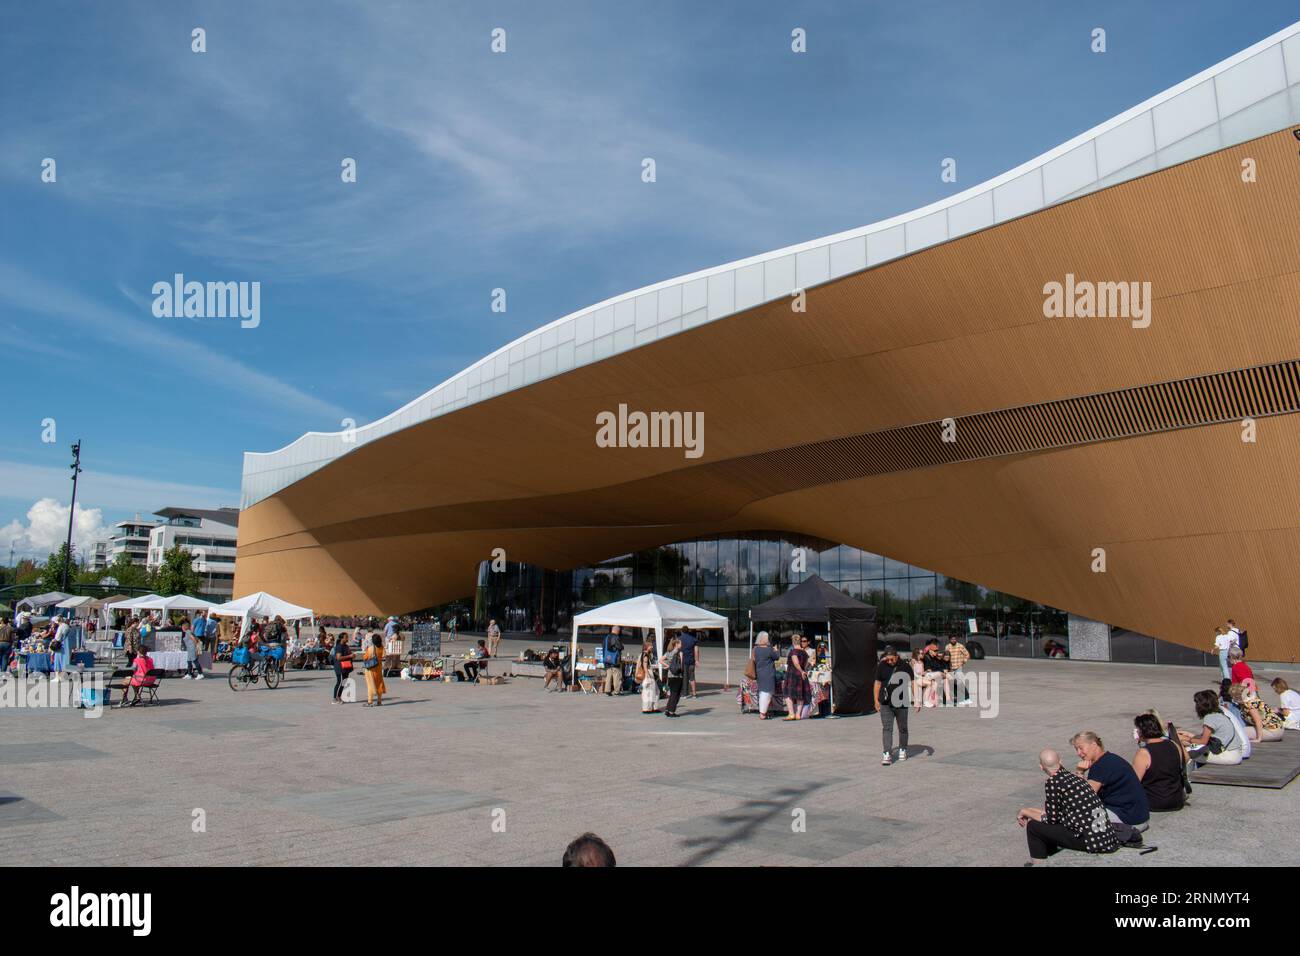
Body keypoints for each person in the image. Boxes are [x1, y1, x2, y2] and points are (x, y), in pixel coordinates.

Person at [1017, 748, 1119, 864]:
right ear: (1061, 761)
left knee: (1033, 827)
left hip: (1092, 841)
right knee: (1047, 828)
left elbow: (1051, 819)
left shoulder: (1053, 782)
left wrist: (1025, 812)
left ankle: (1039, 864)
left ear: (1041, 766)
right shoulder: (1074, 778)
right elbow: (1055, 815)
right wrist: (1028, 810)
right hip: (1106, 836)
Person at [1071, 731, 1150, 829]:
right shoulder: (1110, 758)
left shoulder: (1100, 765)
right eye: (1076, 749)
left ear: (1094, 745)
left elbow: (1085, 797)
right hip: (1140, 816)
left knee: (1076, 816)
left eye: (1081, 748)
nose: (1078, 753)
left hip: (1129, 819)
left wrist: (1079, 772)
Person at [1130, 714, 1185, 813]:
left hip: (1154, 802)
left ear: (1142, 731)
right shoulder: (1174, 745)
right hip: (1177, 800)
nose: (1137, 731)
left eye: (1138, 729)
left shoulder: (1143, 753)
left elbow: (1134, 782)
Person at [1178, 690, 1244, 766]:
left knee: (1186, 750)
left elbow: (1203, 742)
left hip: (1228, 756)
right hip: (1236, 754)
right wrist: (1189, 735)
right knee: (1190, 746)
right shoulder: (1219, 714)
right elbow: (1210, 738)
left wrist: (1186, 739)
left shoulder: (1209, 718)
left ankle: (1184, 774)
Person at [874, 645, 912, 765]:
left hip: (901, 702)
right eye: (887, 659)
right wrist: (875, 700)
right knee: (887, 728)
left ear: (897, 656)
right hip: (885, 703)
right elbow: (877, 683)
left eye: (892, 659)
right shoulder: (882, 665)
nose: (889, 661)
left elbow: (914, 682)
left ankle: (902, 749)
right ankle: (886, 753)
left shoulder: (905, 666)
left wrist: (917, 700)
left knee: (903, 728)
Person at [752, 632, 779, 719]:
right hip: (768, 673)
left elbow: (754, 659)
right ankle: (762, 713)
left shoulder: (756, 649)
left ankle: (763, 711)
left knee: (762, 692)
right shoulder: (769, 649)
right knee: (767, 693)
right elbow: (777, 657)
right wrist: (776, 649)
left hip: (759, 672)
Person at [783, 633, 810, 721]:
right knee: (800, 695)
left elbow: (796, 663)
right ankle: (798, 714)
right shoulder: (804, 652)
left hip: (792, 674)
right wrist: (803, 671)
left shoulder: (793, 651)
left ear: (793, 642)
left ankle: (791, 714)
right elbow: (807, 664)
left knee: (787, 693)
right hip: (802, 675)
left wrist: (801, 671)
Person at [661, 637, 685, 717]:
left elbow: (660, 660)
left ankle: (667, 710)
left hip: (670, 675)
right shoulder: (679, 653)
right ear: (676, 644)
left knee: (672, 693)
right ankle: (672, 711)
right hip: (678, 676)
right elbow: (681, 666)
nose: (681, 645)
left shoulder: (668, 652)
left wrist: (668, 666)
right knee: (676, 694)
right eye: (680, 643)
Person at [945, 635, 971, 706]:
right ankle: (956, 698)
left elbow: (967, 654)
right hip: (951, 668)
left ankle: (967, 698)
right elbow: (946, 656)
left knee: (959, 682)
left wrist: (964, 661)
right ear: (949, 640)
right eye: (952, 639)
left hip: (958, 667)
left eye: (954, 639)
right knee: (954, 683)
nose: (953, 640)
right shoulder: (947, 647)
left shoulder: (960, 646)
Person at [363, 633, 386, 706]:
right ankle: (379, 701)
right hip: (378, 668)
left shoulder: (370, 648)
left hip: (371, 669)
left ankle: (370, 701)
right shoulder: (382, 647)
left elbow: (365, 657)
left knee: (370, 685)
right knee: (379, 684)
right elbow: (384, 656)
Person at [638, 640, 660, 713]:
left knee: (652, 691)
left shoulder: (643, 654)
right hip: (648, 674)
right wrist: (647, 676)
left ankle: (651, 707)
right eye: (651, 646)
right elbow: (645, 666)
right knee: (651, 691)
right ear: (647, 647)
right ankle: (649, 708)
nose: (652, 647)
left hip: (648, 674)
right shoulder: (646, 655)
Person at [331, 631, 354, 703]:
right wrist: (349, 656)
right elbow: (338, 658)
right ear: (342, 638)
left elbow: (347, 654)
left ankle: (339, 697)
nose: (347, 638)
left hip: (346, 667)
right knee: (339, 682)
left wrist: (352, 656)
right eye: (346, 637)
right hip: (339, 667)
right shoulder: (339, 646)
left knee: (344, 682)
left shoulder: (346, 646)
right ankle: (334, 698)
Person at [601, 626, 624, 696]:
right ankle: (616, 691)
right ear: (617, 631)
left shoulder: (606, 637)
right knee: (617, 675)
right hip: (614, 660)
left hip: (607, 660)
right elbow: (619, 646)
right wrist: (622, 647)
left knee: (608, 675)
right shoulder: (616, 637)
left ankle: (607, 690)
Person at [678, 627, 699, 698]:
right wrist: (696, 660)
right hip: (691, 660)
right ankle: (694, 693)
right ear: (688, 631)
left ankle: (685, 694)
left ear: (682, 631)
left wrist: (680, 663)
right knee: (692, 677)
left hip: (684, 661)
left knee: (685, 677)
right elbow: (696, 650)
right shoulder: (693, 639)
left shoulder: (680, 639)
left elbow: (680, 652)